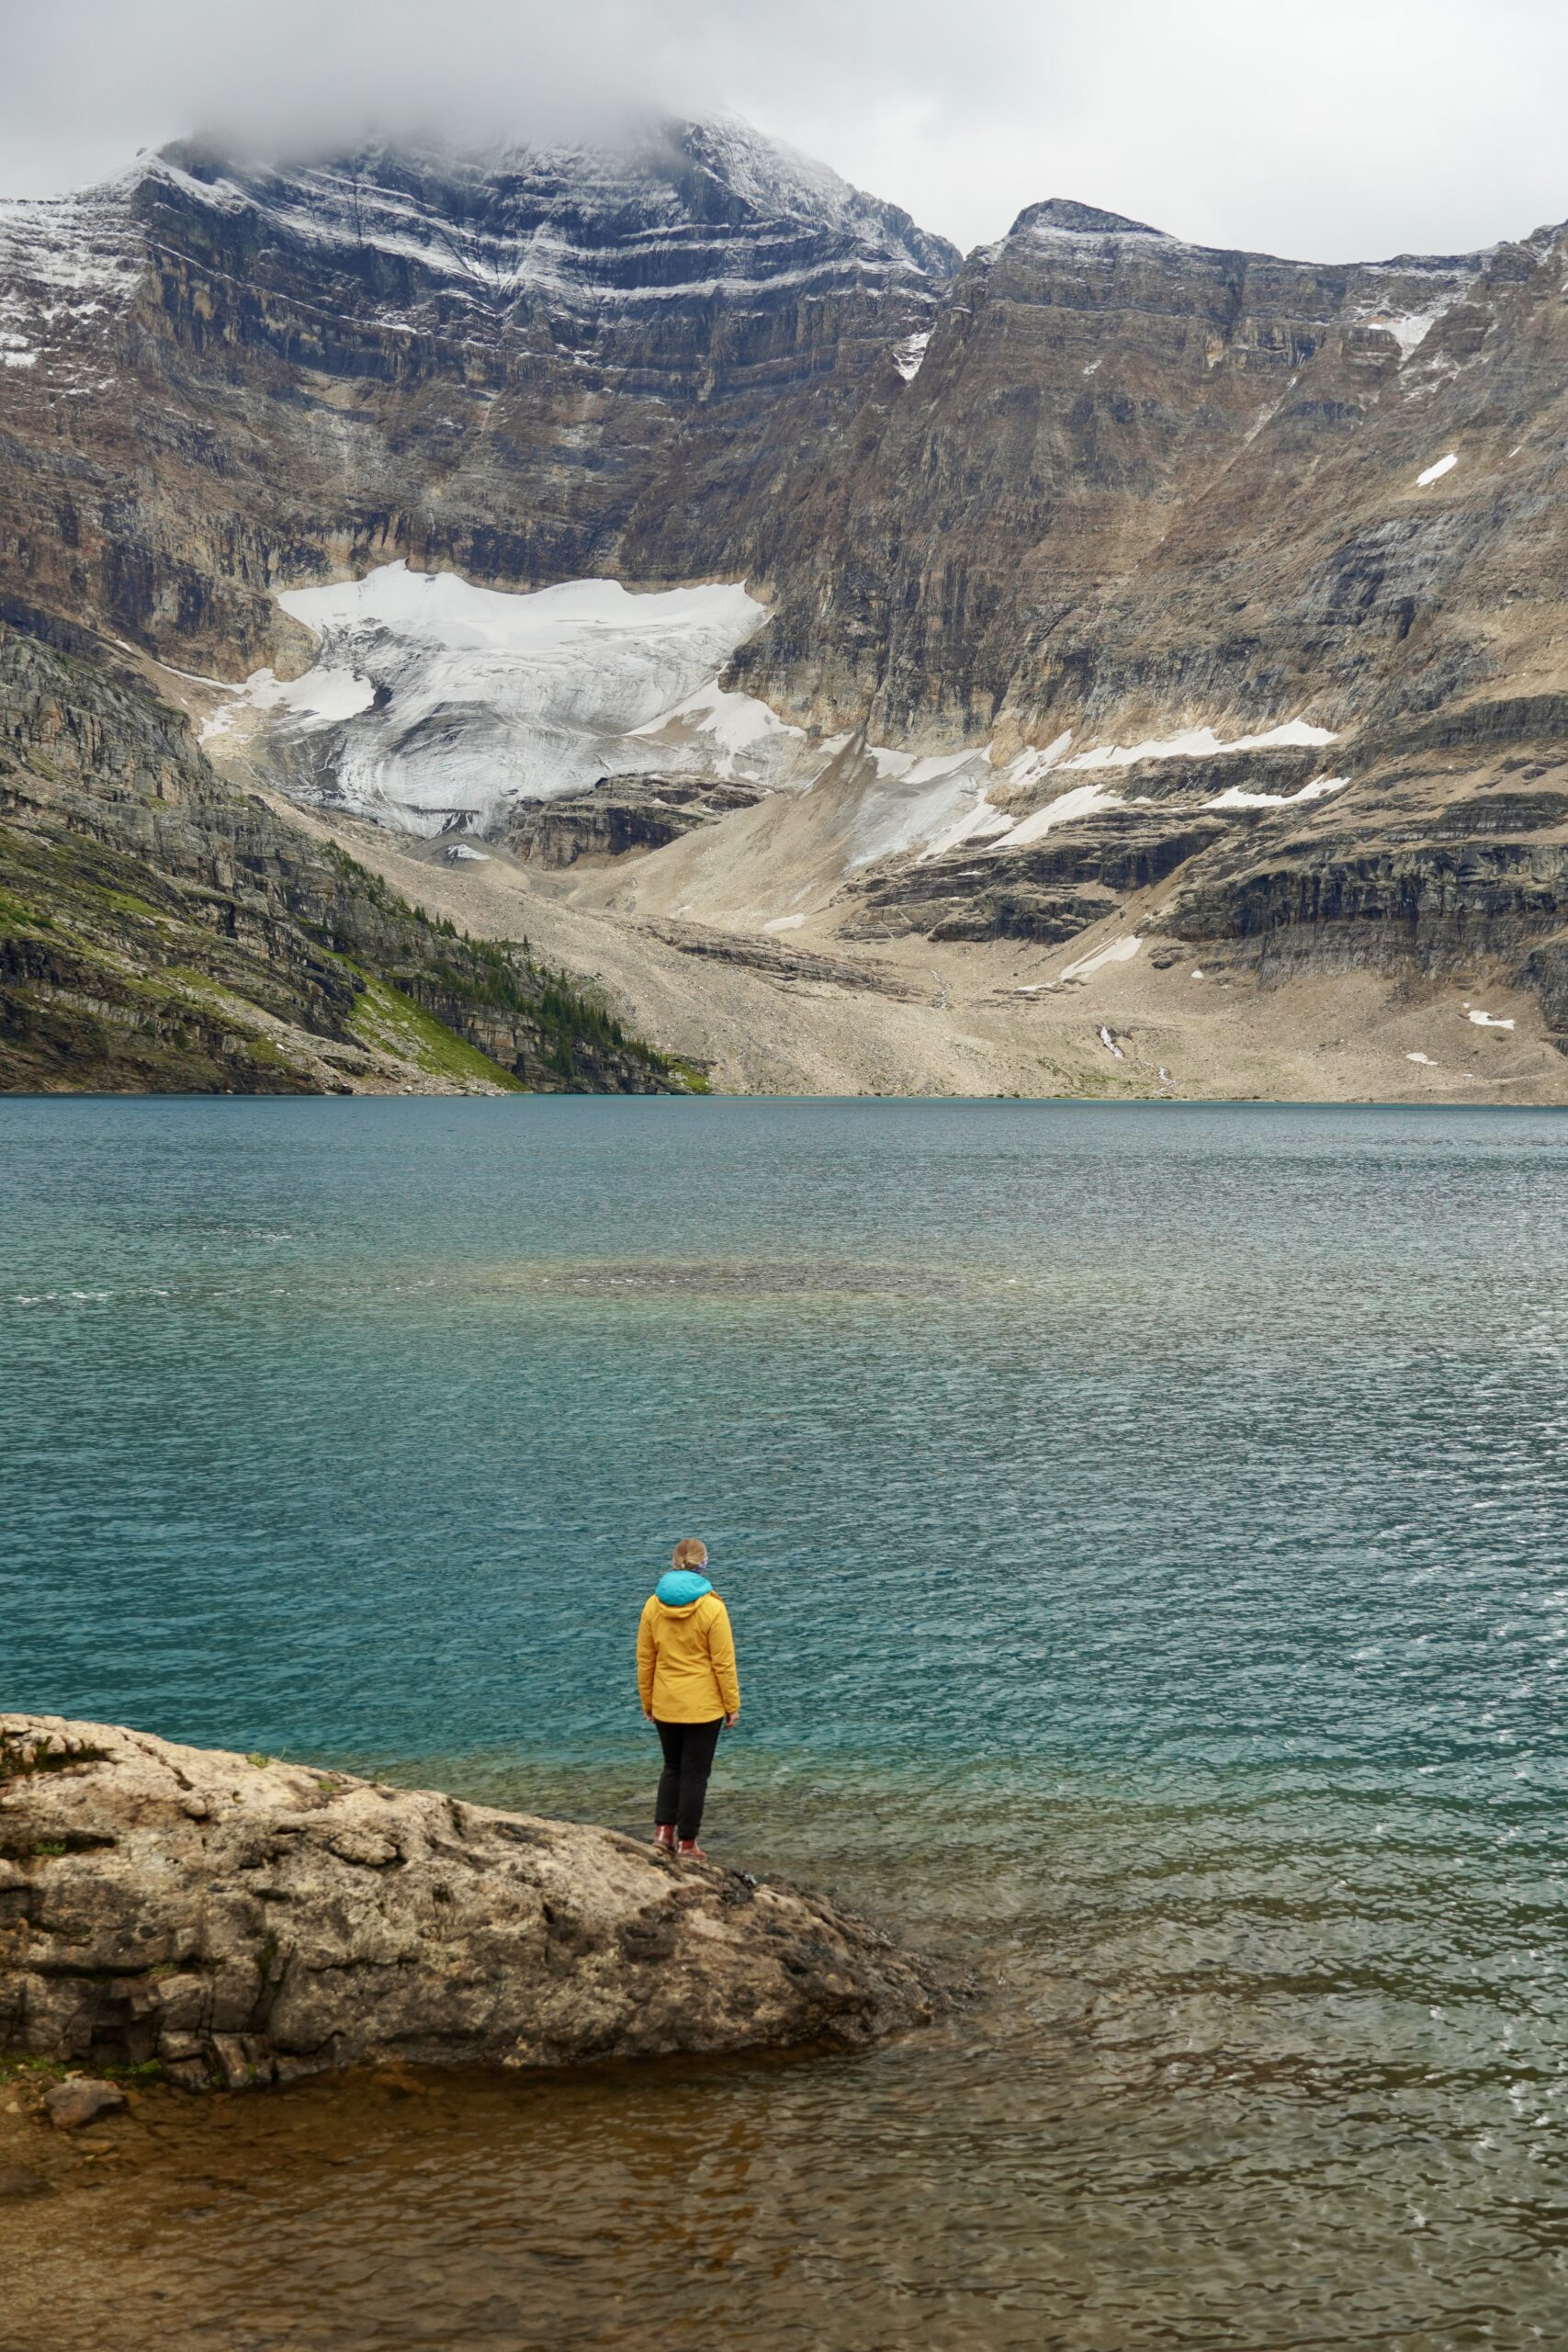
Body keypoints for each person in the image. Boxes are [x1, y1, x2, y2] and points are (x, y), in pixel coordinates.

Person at [637, 1537, 740, 1860]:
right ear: (703, 1564)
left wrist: (648, 1701)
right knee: (695, 1774)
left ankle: (663, 1834)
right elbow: (723, 1662)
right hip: (703, 1705)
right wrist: (731, 1705)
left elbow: (645, 1657)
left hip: (666, 1701)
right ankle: (687, 1844)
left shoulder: (653, 1604)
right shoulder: (713, 1607)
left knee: (672, 1767)